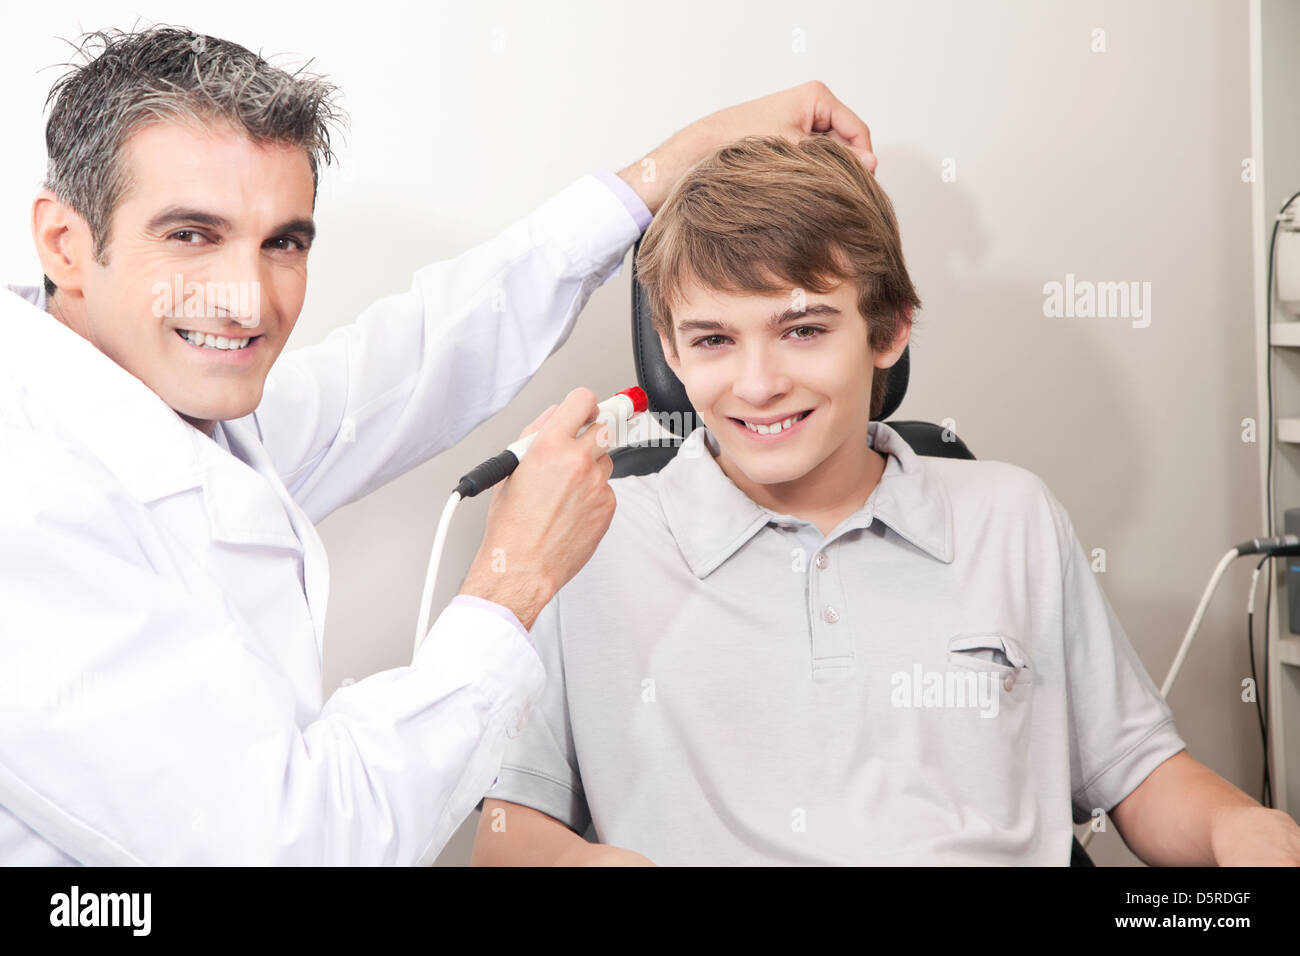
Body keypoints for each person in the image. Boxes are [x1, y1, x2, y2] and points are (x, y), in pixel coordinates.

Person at [0, 24, 878, 864]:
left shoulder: (166, 401)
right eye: (191, 236)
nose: (247, 301)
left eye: (284, 243)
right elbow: (299, 849)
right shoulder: (31, 511)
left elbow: (409, 362)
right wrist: (512, 581)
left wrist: (658, 172)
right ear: (65, 244)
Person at [472, 134, 1300, 865]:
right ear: (670, 351)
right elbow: (510, 833)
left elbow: (1137, 774)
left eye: (803, 328)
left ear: (890, 328)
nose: (759, 385)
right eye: (715, 339)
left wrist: (1240, 831)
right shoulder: (591, 541)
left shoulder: (1011, 517)